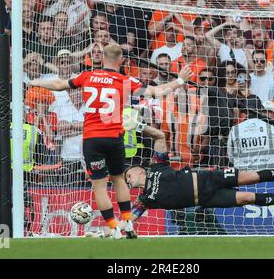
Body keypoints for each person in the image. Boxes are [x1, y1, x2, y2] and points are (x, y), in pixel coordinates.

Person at [28, 43, 193, 239]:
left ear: (102, 58)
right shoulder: (125, 80)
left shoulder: (87, 76)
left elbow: (58, 85)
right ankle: (128, 223)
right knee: (118, 180)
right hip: (114, 138)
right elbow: (157, 92)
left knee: (99, 185)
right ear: (121, 60)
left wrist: (35, 81)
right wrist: (181, 79)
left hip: (92, 139)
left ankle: (114, 227)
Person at [122, 124, 274, 226]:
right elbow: (131, 217)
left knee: (252, 177)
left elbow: (159, 136)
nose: (129, 183)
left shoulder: (157, 166)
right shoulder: (144, 199)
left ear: (138, 169)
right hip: (208, 198)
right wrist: (115, 227)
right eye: (127, 182)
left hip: (209, 178)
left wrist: (138, 126)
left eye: (128, 177)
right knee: (247, 198)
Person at [227, 96, 274, 171]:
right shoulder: (272, 127)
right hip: (269, 175)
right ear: (260, 109)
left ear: (245, 110)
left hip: (245, 176)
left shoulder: (235, 129)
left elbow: (230, 156)